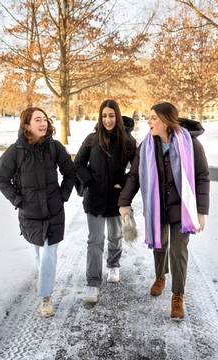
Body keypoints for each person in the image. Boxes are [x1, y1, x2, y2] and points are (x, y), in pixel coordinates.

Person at [118, 102, 210, 319]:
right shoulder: (147, 146)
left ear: (167, 121)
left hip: (182, 209)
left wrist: (200, 211)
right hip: (157, 206)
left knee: (178, 252)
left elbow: (202, 177)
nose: (148, 122)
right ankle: (160, 276)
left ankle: (177, 295)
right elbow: (135, 176)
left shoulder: (191, 145)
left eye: (153, 118)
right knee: (159, 245)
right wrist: (124, 202)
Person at [0, 106, 76, 317]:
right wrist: (18, 200)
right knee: (37, 250)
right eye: (37, 120)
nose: (43, 123)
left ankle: (45, 296)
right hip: (29, 213)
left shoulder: (54, 147)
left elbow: (70, 172)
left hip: (53, 211)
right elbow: (1, 179)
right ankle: (43, 278)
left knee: (49, 253)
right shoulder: (15, 151)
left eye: (45, 119)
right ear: (26, 125)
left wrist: (63, 195)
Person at [74, 99, 137, 303]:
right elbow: (79, 164)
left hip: (116, 199)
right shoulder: (92, 139)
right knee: (95, 240)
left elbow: (138, 168)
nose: (107, 120)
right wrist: (89, 181)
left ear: (117, 116)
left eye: (111, 115)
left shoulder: (128, 141)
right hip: (94, 197)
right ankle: (93, 282)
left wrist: (124, 181)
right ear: (100, 117)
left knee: (115, 235)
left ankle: (113, 265)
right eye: (104, 116)